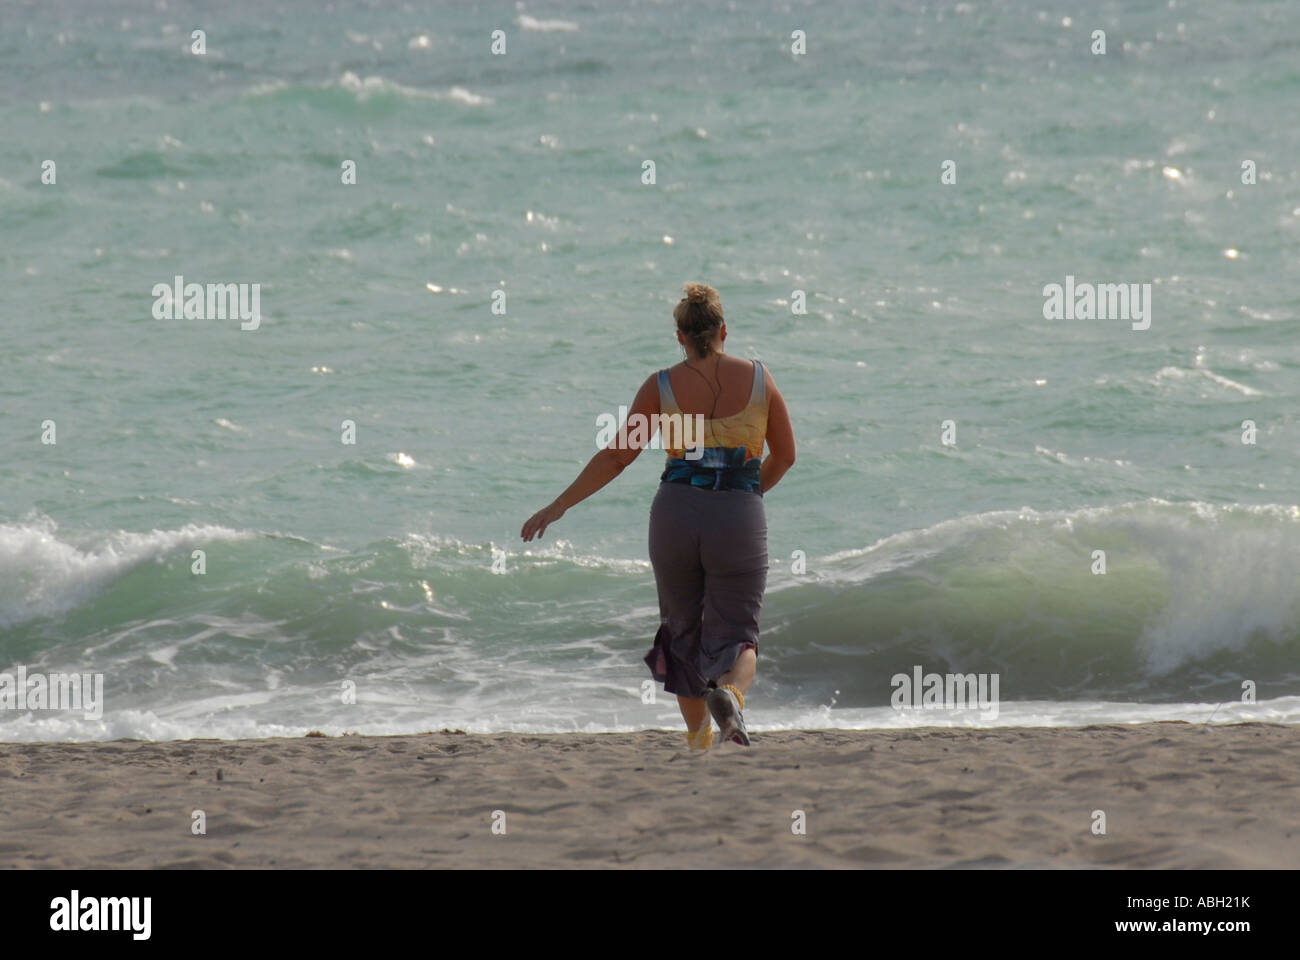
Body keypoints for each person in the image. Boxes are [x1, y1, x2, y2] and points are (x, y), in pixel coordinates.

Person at [521, 282, 796, 749]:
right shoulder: (757, 378)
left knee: (680, 635)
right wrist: (746, 495)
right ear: (724, 330)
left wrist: (558, 504)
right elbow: (785, 456)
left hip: (675, 515)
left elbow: (616, 458)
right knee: (740, 636)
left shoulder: (661, 386)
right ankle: (730, 695)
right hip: (738, 515)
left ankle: (698, 744)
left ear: (680, 337)